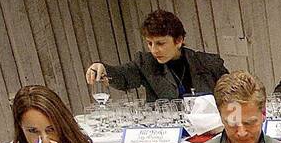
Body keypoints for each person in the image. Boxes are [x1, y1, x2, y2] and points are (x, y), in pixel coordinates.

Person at [85, 10, 227, 102]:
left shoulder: (208, 63)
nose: (154, 50)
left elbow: (231, 96)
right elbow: (123, 77)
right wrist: (103, 69)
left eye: (160, 43)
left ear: (179, 41)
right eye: (149, 43)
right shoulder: (146, 63)